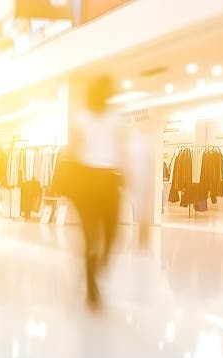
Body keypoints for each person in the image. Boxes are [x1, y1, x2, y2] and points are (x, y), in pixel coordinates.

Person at [65, 75, 126, 309]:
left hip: (109, 180)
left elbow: (121, 149)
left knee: (112, 235)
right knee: (92, 238)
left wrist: (125, 175)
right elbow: (72, 152)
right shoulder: (81, 118)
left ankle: (99, 262)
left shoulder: (116, 118)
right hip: (87, 181)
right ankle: (92, 287)